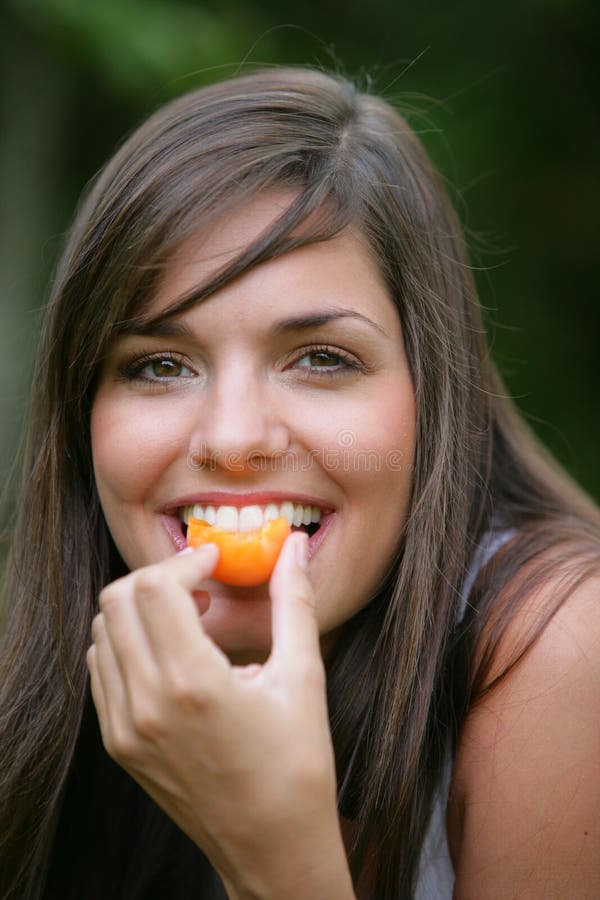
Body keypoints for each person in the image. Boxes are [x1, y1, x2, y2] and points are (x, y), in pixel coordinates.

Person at [0, 66, 598, 900]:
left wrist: (280, 861)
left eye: (322, 358)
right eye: (160, 365)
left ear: (435, 397)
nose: (235, 440)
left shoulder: (564, 644)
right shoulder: (46, 711)